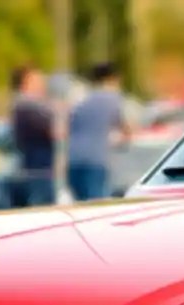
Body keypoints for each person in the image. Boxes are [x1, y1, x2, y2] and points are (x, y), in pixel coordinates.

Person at [66, 62, 131, 202]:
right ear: (112, 78)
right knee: (96, 204)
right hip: (96, 161)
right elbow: (125, 129)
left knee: (80, 205)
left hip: (74, 160)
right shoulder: (112, 98)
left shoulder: (79, 97)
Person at [9, 65, 57, 207]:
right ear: (25, 83)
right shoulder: (28, 106)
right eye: (36, 79)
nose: (42, 82)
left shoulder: (27, 105)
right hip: (37, 172)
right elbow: (54, 131)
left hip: (35, 170)